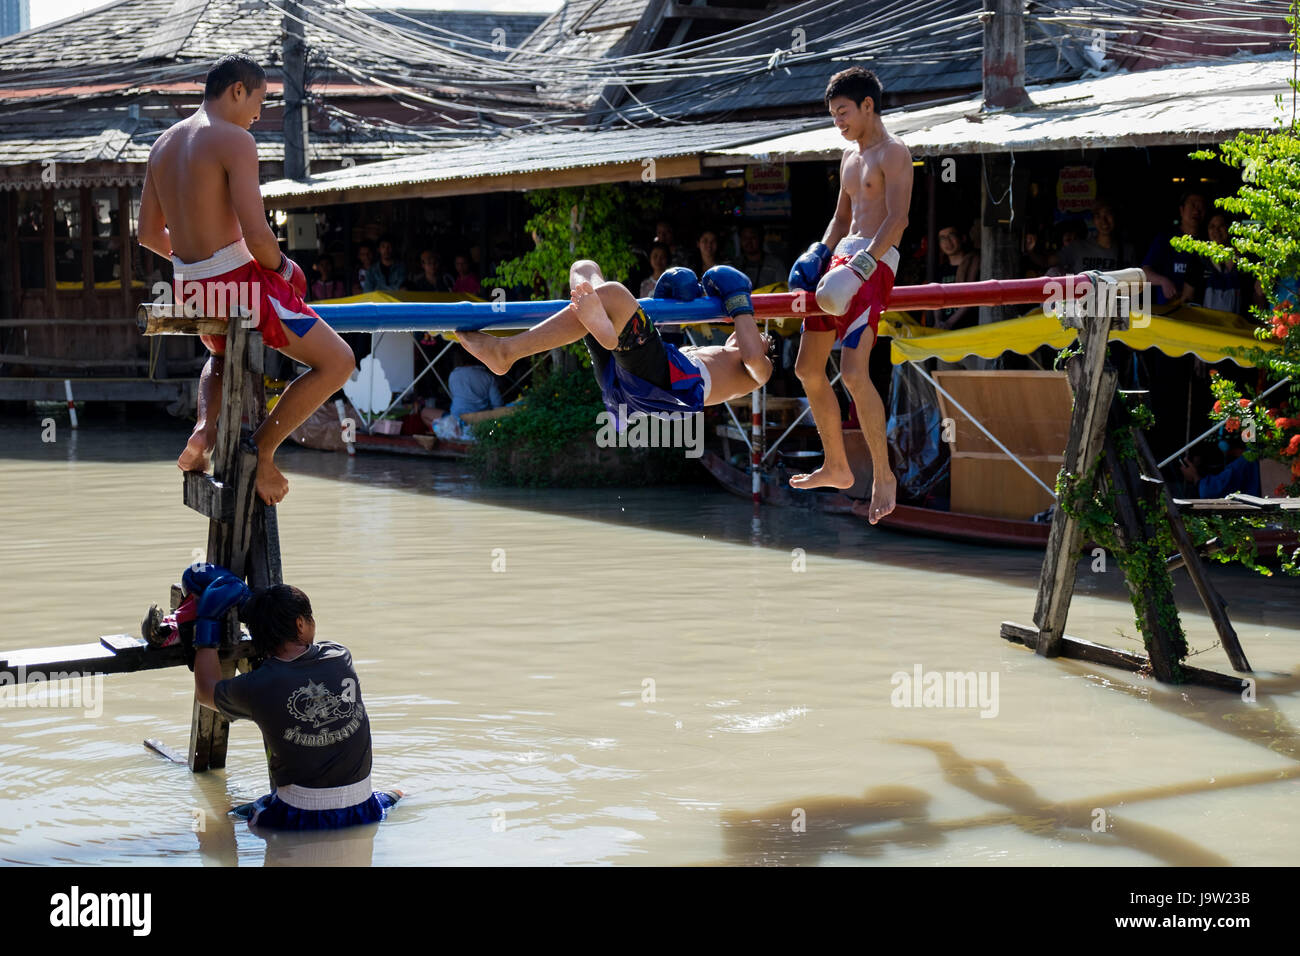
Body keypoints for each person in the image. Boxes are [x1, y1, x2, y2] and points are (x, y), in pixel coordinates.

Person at [137, 53, 355, 506]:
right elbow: (257, 236)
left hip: (192, 289)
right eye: (259, 102)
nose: (259, 116)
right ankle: (263, 450)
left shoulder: (163, 144)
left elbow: (146, 235)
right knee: (339, 362)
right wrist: (284, 270)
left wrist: (197, 265)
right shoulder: (234, 140)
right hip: (240, 286)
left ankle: (204, 429)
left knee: (221, 356)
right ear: (238, 89)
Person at [164, 562, 402, 830]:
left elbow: (206, 693)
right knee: (399, 793)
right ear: (301, 624)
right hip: (363, 807)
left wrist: (207, 624)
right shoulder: (340, 655)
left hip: (300, 815)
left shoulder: (258, 685)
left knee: (226, 817)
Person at [785, 66, 911, 523]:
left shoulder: (895, 152)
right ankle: (836, 465)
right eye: (833, 115)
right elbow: (841, 221)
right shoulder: (848, 158)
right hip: (839, 262)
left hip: (874, 264)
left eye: (842, 113)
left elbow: (897, 220)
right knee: (806, 368)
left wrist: (862, 265)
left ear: (867, 106)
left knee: (855, 373)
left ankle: (883, 475)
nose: (837, 121)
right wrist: (819, 253)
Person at [459, 261, 773, 424]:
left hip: (658, 388)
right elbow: (657, 339)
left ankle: (506, 351)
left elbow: (752, 354)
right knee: (582, 268)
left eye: (761, 334)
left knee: (614, 296)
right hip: (627, 383)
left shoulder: (755, 371)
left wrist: (741, 306)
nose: (755, 332)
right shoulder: (714, 354)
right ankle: (598, 315)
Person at [1142, 191, 1207, 307]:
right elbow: (1145, 272)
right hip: (1168, 312)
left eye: (1201, 207)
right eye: (1192, 205)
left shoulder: (1209, 242)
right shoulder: (1165, 239)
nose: (1196, 211)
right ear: (1181, 210)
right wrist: (1162, 281)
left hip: (1201, 312)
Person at [416, 347, 504, 429]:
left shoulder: (454, 374)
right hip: (479, 421)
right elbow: (497, 404)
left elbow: (454, 395)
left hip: (456, 420)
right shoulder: (487, 377)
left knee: (424, 412)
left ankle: (444, 432)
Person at [1056, 200, 1134, 276]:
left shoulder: (1128, 250)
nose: (1103, 221)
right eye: (1098, 216)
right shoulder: (1077, 247)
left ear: (1115, 216)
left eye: (1108, 214)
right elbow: (1049, 261)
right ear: (1093, 220)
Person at [928, 222, 980, 329]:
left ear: (963, 238)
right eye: (942, 238)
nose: (947, 241)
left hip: (969, 328)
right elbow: (935, 298)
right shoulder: (940, 270)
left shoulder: (974, 263)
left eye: (951, 235)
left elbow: (971, 298)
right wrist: (938, 321)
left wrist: (949, 323)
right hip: (943, 329)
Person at [1200, 212, 1248, 315]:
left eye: (1221, 226)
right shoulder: (1201, 260)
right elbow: (1189, 296)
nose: (1216, 230)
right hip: (1206, 324)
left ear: (1229, 228)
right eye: (1212, 226)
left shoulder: (1244, 260)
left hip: (1239, 324)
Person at [731, 223, 786, 288]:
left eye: (753, 237)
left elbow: (783, 290)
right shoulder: (735, 265)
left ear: (761, 238)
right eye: (745, 238)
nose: (749, 241)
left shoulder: (775, 264)